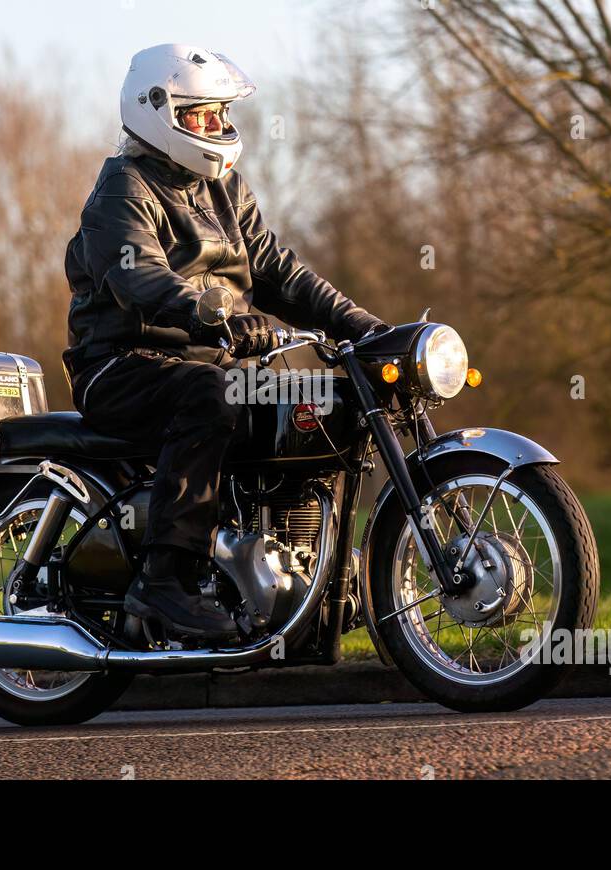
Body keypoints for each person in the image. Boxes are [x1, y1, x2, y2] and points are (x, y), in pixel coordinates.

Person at [63, 44, 386, 639]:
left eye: (219, 114)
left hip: (208, 360)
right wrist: (213, 315)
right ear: (157, 111)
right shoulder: (121, 190)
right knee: (208, 393)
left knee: (316, 402)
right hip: (123, 365)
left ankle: (320, 575)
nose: (216, 126)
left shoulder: (225, 191)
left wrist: (367, 329)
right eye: (202, 115)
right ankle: (166, 581)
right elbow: (139, 277)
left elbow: (281, 274)